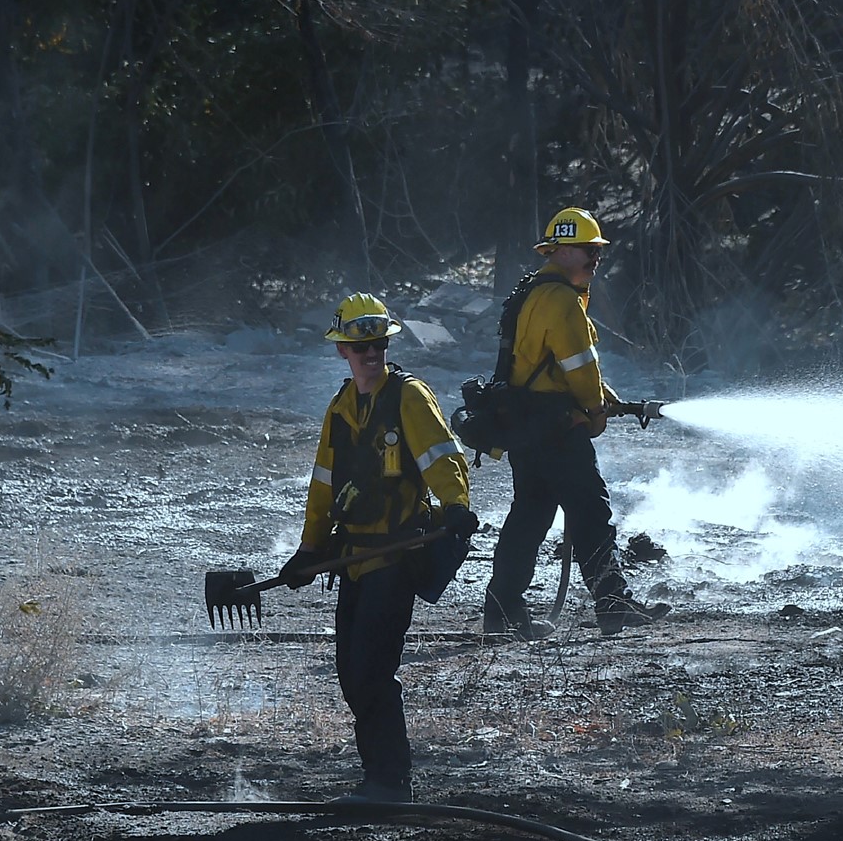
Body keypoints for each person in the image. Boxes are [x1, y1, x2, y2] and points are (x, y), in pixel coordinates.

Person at [283, 292, 480, 803]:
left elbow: (442, 457)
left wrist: (456, 504)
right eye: (360, 346)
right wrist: (309, 550)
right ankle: (379, 778)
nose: (370, 354)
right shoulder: (341, 409)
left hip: (395, 558)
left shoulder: (408, 397)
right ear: (342, 352)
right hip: (352, 561)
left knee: (372, 670)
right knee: (352, 674)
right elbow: (323, 485)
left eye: (378, 345)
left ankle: (389, 783)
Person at [481, 207, 668, 639]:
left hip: (527, 425)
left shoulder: (534, 291)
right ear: (561, 251)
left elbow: (551, 366)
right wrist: (594, 409)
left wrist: (607, 399)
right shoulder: (562, 299)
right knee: (591, 511)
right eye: (587, 249)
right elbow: (578, 366)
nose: (595, 258)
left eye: (597, 250)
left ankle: (501, 610)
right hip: (557, 428)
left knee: (529, 514)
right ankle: (612, 603)